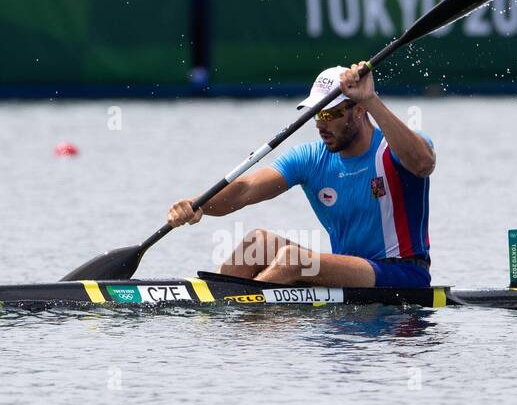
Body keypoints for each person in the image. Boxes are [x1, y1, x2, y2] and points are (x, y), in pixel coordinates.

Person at [166, 64, 434, 287]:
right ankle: (216, 311)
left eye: (329, 113)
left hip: (403, 275)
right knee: (257, 243)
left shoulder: (394, 147)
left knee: (294, 260)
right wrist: (197, 204)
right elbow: (245, 188)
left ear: (360, 110)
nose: (320, 124)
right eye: (316, 113)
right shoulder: (312, 158)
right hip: (350, 272)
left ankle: (239, 313)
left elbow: (423, 164)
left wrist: (372, 99)